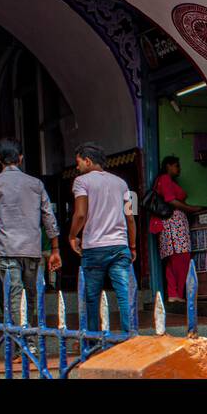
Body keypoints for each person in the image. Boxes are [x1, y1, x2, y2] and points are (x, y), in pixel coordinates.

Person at [0, 139, 62, 332]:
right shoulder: (36, 184)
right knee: (30, 296)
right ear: (20, 158)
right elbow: (49, 217)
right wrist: (55, 249)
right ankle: (27, 338)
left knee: (14, 296)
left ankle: (21, 341)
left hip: (8, 249)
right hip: (32, 249)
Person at [69, 142, 136, 332]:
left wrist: (72, 236)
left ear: (88, 161)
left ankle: (92, 340)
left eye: (79, 162)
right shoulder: (122, 183)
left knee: (91, 296)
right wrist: (132, 246)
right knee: (125, 293)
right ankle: (130, 336)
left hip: (94, 247)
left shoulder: (81, 182)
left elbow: (80, 214)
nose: (77, 167)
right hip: (120, 246)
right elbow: (130, 218)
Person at [150, 156, 200, 305]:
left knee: (173, 261)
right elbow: (170, 200)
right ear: (168, 166)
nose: (179, 169)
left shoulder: (165, 180)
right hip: (173, 225)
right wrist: (191, 209)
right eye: (176, 165)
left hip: (170, 225)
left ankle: (173, 293)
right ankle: (178, 293)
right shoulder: (165, 179)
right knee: (181, 257)